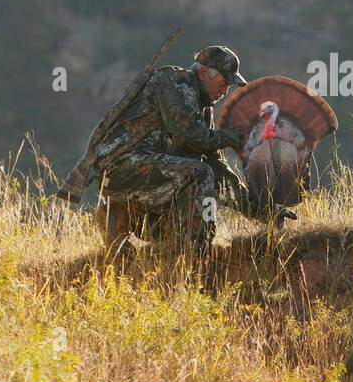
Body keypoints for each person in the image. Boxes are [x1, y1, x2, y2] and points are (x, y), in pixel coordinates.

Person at [91, 44, 250, 246]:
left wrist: (256, 208)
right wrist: (229, 137)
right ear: (203, 72)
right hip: (119, 168)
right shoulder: (175, 83)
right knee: (200, 173)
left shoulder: (202, 108)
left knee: (167, 230)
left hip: (142, 172)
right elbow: (192, 135)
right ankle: (197, 248)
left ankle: (118, 214)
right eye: (223, 82)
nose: (225, 91)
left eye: (229, 86)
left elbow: (215, 163)